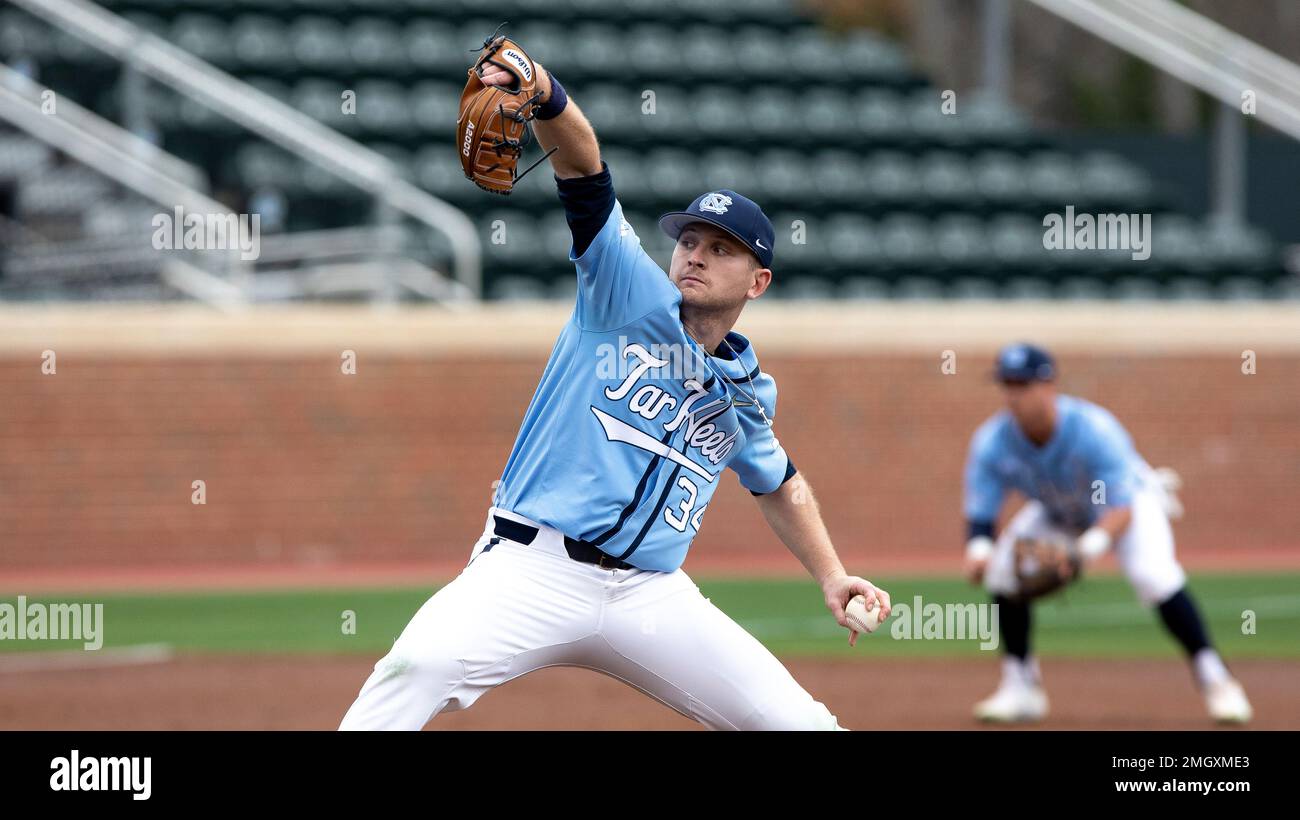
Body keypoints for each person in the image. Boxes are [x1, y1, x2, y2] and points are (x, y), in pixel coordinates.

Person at [339, 49, 890, 731]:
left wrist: (833, 575)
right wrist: (543, 92)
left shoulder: (747, 391)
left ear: (758, 282)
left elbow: (779, 482)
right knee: (412, 669)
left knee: (801, 725)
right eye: (689, 239)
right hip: (530, 568)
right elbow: (582, 165)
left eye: (721, 248)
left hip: (649, 597)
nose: (695, 253)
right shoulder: (624, 290)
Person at [962, 342, 1252, 724]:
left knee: (1153, 577)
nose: (1014, 395)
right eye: (1007, 384)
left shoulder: (1093, 429)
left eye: (1023, 384)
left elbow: (1121, 509)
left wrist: (1083, 552)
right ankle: (1021, 688)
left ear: (1049, 385)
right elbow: (982, 512)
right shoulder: (993, 440)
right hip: (1060, 511)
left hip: (1128, 504)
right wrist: (980, 551)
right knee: (1002, 572)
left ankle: (1218, 681)